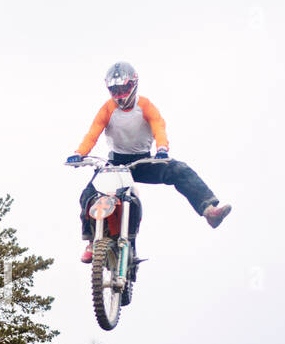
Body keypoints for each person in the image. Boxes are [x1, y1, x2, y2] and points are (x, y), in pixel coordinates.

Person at [68, 61, 231, 263]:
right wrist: (79, 153)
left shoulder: (145, 105)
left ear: (134, 84)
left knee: (179, 170)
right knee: (89, 194)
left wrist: (162, 149)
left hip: (143, 161)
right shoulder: (107, 109)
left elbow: (158, 127)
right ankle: (93, 241)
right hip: (116, 164)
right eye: (115, 90)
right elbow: (92, 134)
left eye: (124, 88)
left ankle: (209, 211)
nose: (119, 95)